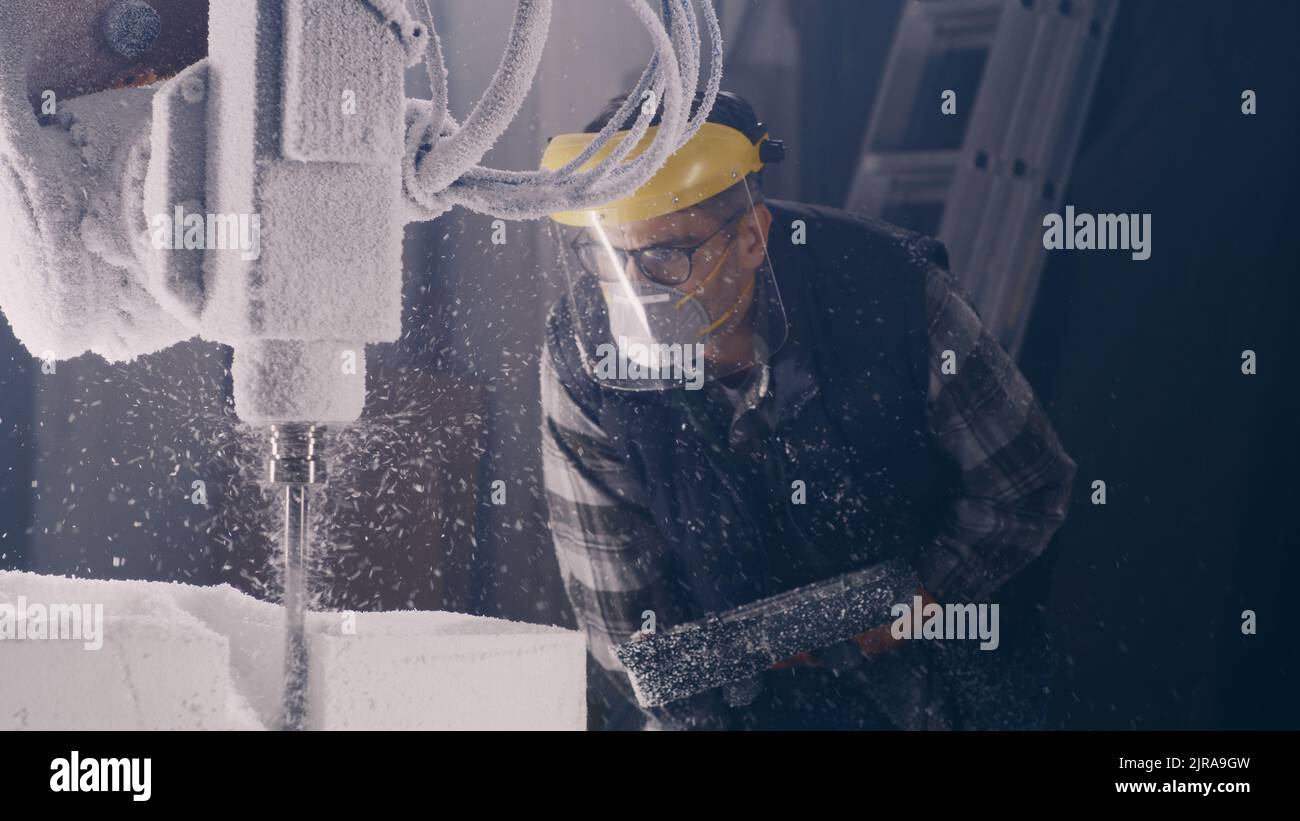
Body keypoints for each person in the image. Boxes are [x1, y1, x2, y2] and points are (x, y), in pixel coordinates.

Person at [539, 91, 1077, 730]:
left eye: (665, 256)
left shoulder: (895, 297)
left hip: (949, 689)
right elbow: (619, 617)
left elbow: (1027, 486)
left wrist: (917, 603)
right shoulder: (583, 355)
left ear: (749, 237)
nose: (631, 289)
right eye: (607, 256)